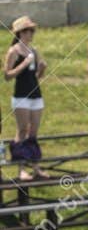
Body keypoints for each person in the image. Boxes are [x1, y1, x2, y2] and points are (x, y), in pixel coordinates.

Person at [6, 16, 45, 180]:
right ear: (20, 33)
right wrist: (22, 64)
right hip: (21, 96)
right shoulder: (13, 51)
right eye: (27, 30)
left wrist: (42, 69)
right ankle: (21, 168)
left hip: (36, 94)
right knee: (22, 130)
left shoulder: (33, 50)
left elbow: (35, 76)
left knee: (33, 132)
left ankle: (35, 167)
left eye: (32, 30)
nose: (31, 33)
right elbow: (7, 75)